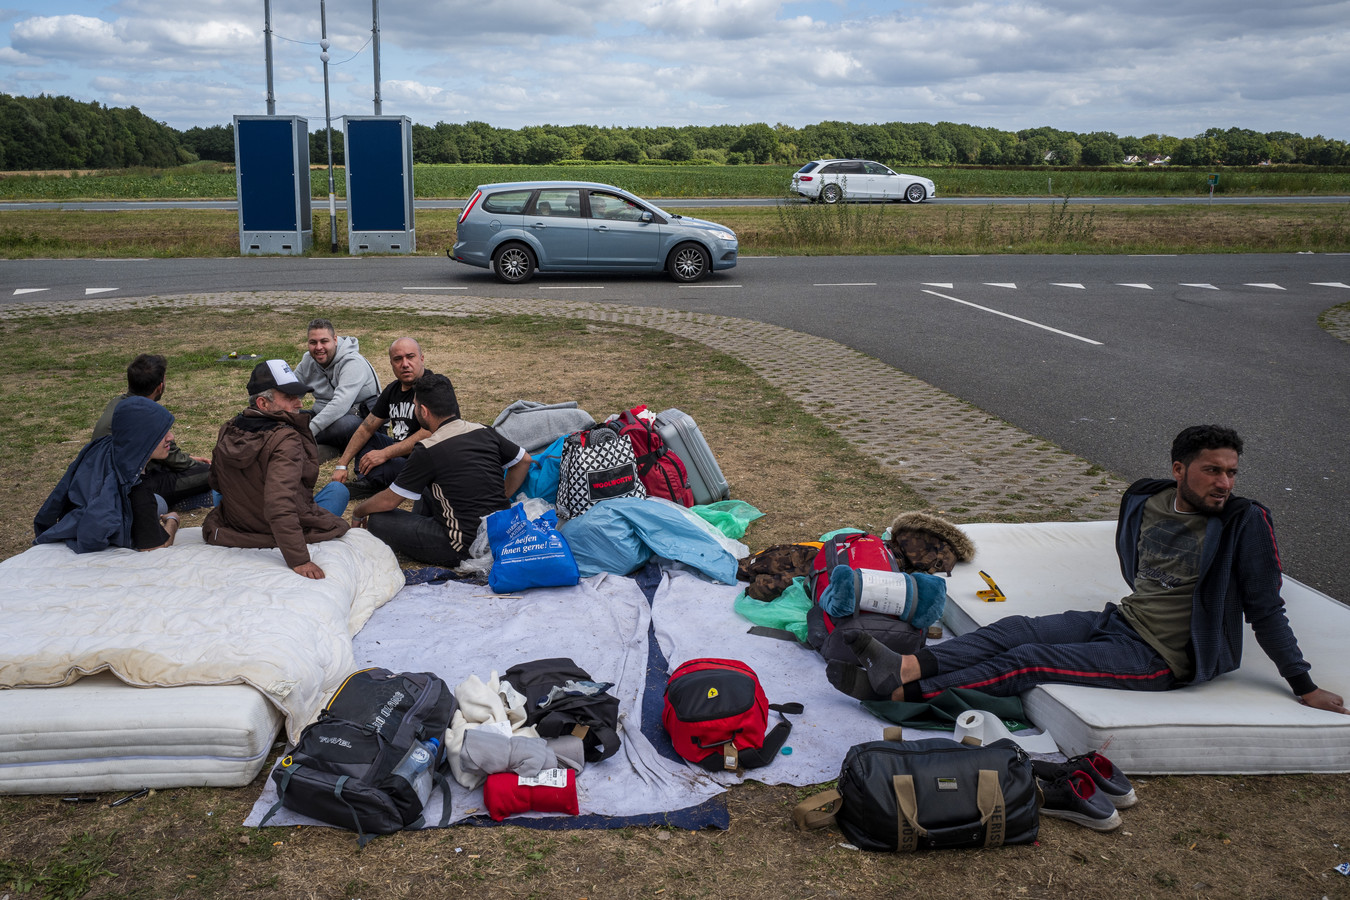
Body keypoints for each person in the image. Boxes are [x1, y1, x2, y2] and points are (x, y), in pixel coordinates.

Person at [828, 425, 1348, 715]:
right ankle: (908, 665)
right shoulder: (1147, 499)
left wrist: (1302, 685)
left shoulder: (1245, 522)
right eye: (1213, 470)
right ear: (1178, 470)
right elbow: (1136, 562)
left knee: (1031, 658)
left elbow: (1266, 608)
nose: (1224, 483)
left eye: (1232, 472)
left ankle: (901, 693)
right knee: (1013, 628)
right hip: (1122, 620)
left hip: (1164, 656)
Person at [351, 372, 532, 567]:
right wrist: (502, 497)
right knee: (430, 489)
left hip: (461, 547)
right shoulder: (483, 430)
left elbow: (389, 500)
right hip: (500, 532)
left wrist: (358, 511)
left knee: (378, 520)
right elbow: (524, 460)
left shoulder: (428, 448)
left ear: (424, 411)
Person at [201, 359, 350, 579]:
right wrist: (299, 560)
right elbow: (278, 504)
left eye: (297, 396)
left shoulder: (228, 427)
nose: (298, 403)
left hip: (238, 523)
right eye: (289, 397)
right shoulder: (285, 439)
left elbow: (216, 483)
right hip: (274, 527)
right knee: (339, 491)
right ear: (263, 404)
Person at [35, 395, 181, 553]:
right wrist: (173, 521)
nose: (171, 437)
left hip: (81, 508)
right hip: (126, 512)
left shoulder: (103, 446)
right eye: (161, 433)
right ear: (141, 438)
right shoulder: (139, 495)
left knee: (159, 502)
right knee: (161, 505)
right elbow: (155, 547)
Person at [92, 353, 211, 507]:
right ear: (159, 387)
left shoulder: (118, 403)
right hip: (128, 487)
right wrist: (196, 464)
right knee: (212, 472)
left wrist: (189, 458)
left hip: (100, 479)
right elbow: (176, 461)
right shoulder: (146, 415)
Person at [330, 337, 432, 490]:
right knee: (367, 437)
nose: (405, 364)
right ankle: (367, 478)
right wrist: (342, 465)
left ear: (422, 358)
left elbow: (429, 433)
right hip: (399, 451)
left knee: (383, 467)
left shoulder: (433, 386)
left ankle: (373, 480)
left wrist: (384, 454)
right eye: (398, 359)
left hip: (424, 458)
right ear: (391, 364)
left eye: (410, 357)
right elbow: (366, 428)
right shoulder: (392, 390)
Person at [293, 318, 380, 451]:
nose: (318, 347)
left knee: (345, 426)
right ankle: (311, 442)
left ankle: (297, 440)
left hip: (359, 419)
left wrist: (309, 430)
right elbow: (293, 389)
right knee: (287, 418)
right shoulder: (308, 359)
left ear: (335, 340)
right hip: (323, 415)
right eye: (313, 342)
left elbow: (340, 405)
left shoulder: (353, 363)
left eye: (324, 341)